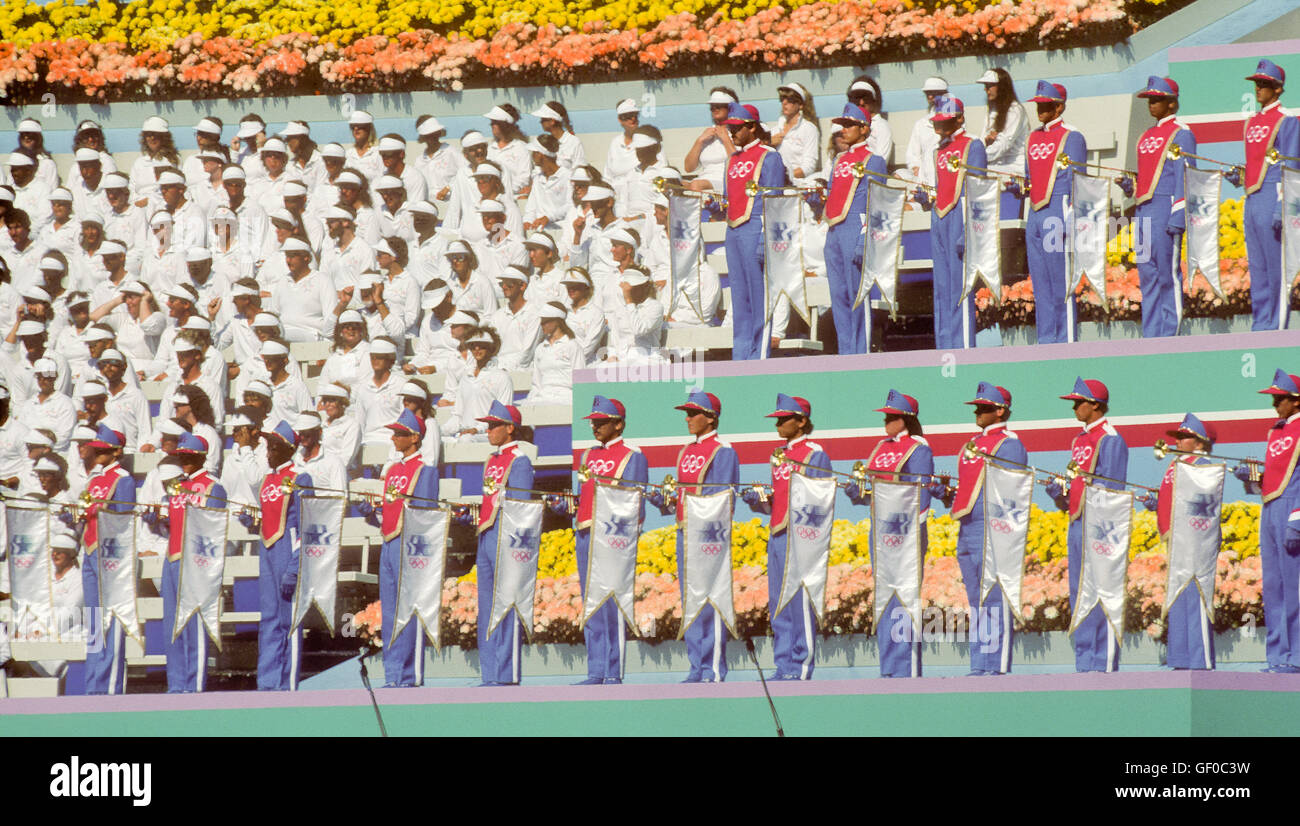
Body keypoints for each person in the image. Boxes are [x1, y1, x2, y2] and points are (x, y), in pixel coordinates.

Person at [546, 395, 647, 683]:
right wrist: (564, 504)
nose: (595, 427)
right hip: (586, 532)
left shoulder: (632, 455)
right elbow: (583, 496)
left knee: (612, 601)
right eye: (593, 422)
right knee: (592, 602)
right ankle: (596, 669)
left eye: (601, 422)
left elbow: (634, 501)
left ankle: (613, 671)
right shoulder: (588, 455)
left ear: (619, 424)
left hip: (612, 537)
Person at [931, 383, 1026, 675]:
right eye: (977, 407)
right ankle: (980, 664)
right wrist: (946, 492)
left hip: (993, 526)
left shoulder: (1009, 443)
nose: (977, 412)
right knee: (976, 599)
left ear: (1000, 411)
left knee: (995, 595)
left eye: (984, 408)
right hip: (968, 523)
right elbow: (971, 487)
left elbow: (1011, 490)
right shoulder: (972, 443)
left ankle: (995, 666)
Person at [650, 390, 739, 682]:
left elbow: (722, 497)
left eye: (693, 413)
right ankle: (695, 665)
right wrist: (663, 498)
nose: (687, 419)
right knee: (691, 600)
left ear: (710, 418)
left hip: (708, 534)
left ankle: (712, 667)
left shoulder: (723, 450)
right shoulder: (687, 450)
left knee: (710, 597)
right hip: (685, 531)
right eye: (686, 414)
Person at [741, 394, 830, 680]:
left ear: (801, 422)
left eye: (784, 419)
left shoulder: (815, 453)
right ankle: (783, 665)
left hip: (802, 534)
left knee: (800, 598)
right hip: (778, 531)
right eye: (777, 419)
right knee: (779, 600)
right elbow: (777, 499)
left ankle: (802, 664)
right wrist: (758, 500)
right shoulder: (778, 454)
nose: (778, 424)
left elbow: (820, 498)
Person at [846, 390, 934, 677]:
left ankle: (905, 668)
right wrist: (857, 492)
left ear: (906, 419)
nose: (886, 420)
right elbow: (873, 493)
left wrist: (912, 534)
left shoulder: (918, 448)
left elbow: (922, 494)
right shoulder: (881, 447)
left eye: (892, 416)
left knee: (904, 597)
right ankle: (888, 667)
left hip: (906, 535)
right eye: (885, 415)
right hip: (881, 534)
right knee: (885, 597)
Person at [1044, 377, 1129, 672]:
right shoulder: (1079, 439)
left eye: (1078, 402)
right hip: (1078, 520)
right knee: (1079, 592)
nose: (1074, 408)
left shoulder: (1110, 438)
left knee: (1101, 587)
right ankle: (1084, 660)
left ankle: (1102, 661)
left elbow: (1112, 488)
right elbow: (1079, 484)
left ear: (1095, 405)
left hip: (1101, 525)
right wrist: (1062, 495)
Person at [356, 408, 438, 686]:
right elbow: (387, 511)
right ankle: (393, 675)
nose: (393, 438)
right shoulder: (392, 471)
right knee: (390, 612)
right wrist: (370, 511)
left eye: (399, 434)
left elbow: (426, 515)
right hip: (389, 541)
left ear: (414, 438)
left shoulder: (425, 470)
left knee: (409, 609)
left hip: (410, 545)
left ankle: (409, 675)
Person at [145, 432, 226, 692]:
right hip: (173, 556)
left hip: (196, 561)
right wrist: (155, 517)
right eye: (181, 457)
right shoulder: (177, 487)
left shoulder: (214, 486)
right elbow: (170, 525)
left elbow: (213, 530)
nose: (184, 462)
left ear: (201, 457)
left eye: (189, 457)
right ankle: (176, 684)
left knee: (193, 625)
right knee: (173, 626)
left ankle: (194, 686)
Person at [1119, 76, 1196, 338]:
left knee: (1167, 274)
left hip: (1165, 208)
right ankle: (1152, 334)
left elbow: (1184, 176)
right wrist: (1129, 186)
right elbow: (1147, 177)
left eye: (1157, 99)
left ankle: (1170, 334)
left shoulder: (1182, 133)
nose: (1151, 104)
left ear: (1172, 104)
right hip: (1143, 211)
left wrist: (1179, 215)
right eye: (1150, 99)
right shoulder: (1146, 135)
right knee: (1147, 275)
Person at [1140, 413, 1218, 670]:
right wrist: (1156, 504)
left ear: (1198, 442)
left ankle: (1200, 658)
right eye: (1179, 437)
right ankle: (1181, 656)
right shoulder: (1175, 465)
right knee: (1178, 596)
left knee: (1196, 595)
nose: (1178, 441)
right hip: (1177, 538)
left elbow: (1203, 502)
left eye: (1184, 437)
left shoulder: (1202, 464)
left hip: (1195, 539)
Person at [1234, 369, 1300, 672]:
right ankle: (1277, 655)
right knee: (1273, 587)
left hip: (1291, 509)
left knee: (1294, 588)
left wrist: (1296, 521)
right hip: (1270, 508)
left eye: (1279, 399)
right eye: (1274, 399)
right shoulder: (1275, 431)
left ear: (1296, 401)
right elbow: (1273, 477)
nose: (1274, 404)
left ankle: (1297, 655)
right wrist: (1252, 478)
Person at [241, 420, 312, 690]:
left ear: (286, 449)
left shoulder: (300, 477)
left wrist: (295, 565)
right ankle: (268, 682)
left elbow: (306, 525)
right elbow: (268, 518)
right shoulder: (267, 480)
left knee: (288, 619)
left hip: (288, 548)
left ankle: (288, 683)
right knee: (269, 618)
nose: (267, 452)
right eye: (266, 447)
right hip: (268, 549)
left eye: (272, 447)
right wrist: (252, 522)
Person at [468, 401, 534, 685]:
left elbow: (521, 505)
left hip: (506, 534)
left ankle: (506, 673)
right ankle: (490, 672)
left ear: (510, 429)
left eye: (494, 425)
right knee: (486, 607)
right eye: (488, 425)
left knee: (506, 604)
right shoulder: (491, 460)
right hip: (486, 533)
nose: (488, 430)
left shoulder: (519, 459)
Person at [1015, 80, 1086, 344]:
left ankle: (1065, 340)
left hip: (1058, 208)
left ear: (1059, 107)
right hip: (1035, 212)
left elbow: (1077, 181)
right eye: (1038, 105)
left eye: (1046, 105)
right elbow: (1028, 177)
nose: (1040, 110)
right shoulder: (1033, 137)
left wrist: (1070, 220)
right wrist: (1019, 187)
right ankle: (1047, 341)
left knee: (1060, 283)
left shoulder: (1072, 136)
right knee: (1041, 285)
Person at [1232, 60, 1300, 331]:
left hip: (1274, 193)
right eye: (1257, 84)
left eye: (1265, 84)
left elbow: (1292, 165)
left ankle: (1277, 327)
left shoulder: (1288, 121)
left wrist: (1283, 205)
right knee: (1257, 268)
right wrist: (1238, 177)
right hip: (1253, 198)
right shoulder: (1251, 122)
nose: (1259, 88)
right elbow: (1256, 163)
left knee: (1276, 268)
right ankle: (1261, 325)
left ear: (1278, 89)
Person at [916, 96, 984, 350]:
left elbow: (979, 192)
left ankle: (962, 345)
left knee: (959, 286)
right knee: (942, 287)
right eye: (937, 121)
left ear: (959, 119)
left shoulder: (972, 145)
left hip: (960, 215)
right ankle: (944, 345)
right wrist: (926, 199)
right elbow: (939, 187)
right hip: (940, 215)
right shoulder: (937, 150)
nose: (939, 126)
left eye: (945, 121)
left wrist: (968, 231)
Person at [722, 103, 787, 360]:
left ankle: (759, 355)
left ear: (751, 126)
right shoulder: (732, 159)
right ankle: (741, 354)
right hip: (734, 229)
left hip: (756, 227)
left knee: (759, 296)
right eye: (729, 128)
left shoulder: (769, 156)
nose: (732, 133)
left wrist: (766, 239)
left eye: (737, 128)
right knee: (740, 298)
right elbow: (729, 197)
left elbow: (775, 201)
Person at [77, 423, 137, 694]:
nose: (96, 453)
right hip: (89, 551)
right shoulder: (94, 479)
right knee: (93, 621)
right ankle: (92, 685)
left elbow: (123, 523)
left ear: (116, 452)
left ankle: (110, 686)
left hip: (110, 556)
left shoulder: (123, 479)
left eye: (103, 449)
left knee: (111, 619)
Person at [824, 103, 887, 355]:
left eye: (849, 125)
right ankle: (846, 351)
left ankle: (861, 353)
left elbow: (877, 203)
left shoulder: (875, 160)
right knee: (838, 296)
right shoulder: (840, 158)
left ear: (864, 129)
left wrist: (865, 238)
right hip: (835, 229)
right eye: (843, 124)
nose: (844, 129)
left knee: (858, 296)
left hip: (856, 226)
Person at [977, 68, 1028, 179]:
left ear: (1002, 87)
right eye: (985, 85)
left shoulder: (1015, 110)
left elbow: (1004, 143)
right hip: (995, 165)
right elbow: (982, 139)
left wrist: (978, 157)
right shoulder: (991, 110)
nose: (986, 89)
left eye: (990, 85)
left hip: (1014, 168)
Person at [684, 88, 738, 192]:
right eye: (712, 107)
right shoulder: (708, 134)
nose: (715, 109)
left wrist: (726, 139)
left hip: (727, 180)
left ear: (730, 108)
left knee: (695, 185)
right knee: (672, 184)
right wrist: (699, 141)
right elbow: (688, 168)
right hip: (704, 179)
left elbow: (737, 163)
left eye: (719, 106)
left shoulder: (738, 133)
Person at [767, 82, 821, 181]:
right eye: (782, 99)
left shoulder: (809, 129)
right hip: (775, 184)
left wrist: (784, 176)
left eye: (790, 99)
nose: (784, 102)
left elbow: (809, 166)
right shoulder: (774, 130)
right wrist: (768, 143)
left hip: (797, 185)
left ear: (800, 105)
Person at [905, 77, 947, 189]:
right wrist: (915, 168)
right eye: (927, 93)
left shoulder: (955, 120)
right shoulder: (920, 124)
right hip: (925, 181)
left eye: (934, 93)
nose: (930, 97)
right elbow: (913, 153)